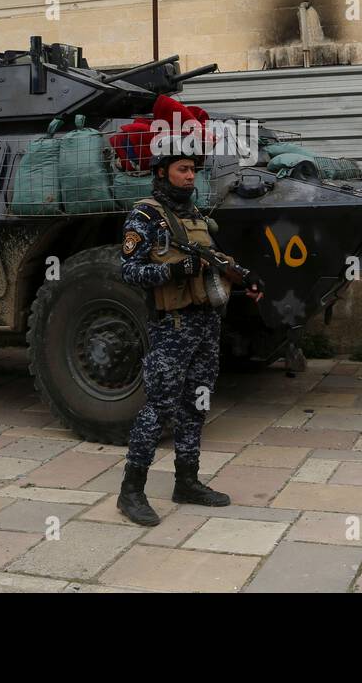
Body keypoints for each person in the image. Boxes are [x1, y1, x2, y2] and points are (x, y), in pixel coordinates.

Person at [116, 140, 264, 527]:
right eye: (182, 169)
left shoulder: (195, 216)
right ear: (163, 171)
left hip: (205, 324)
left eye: (193, 170)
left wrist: (244, 276)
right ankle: (130, 491)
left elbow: (215, 262)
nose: (189, 176)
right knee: (160, 407)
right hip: (172, 326)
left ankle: (187, 481)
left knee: (196, 403)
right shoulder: (146, 218)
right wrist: (172, 272)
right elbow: (129, 272)